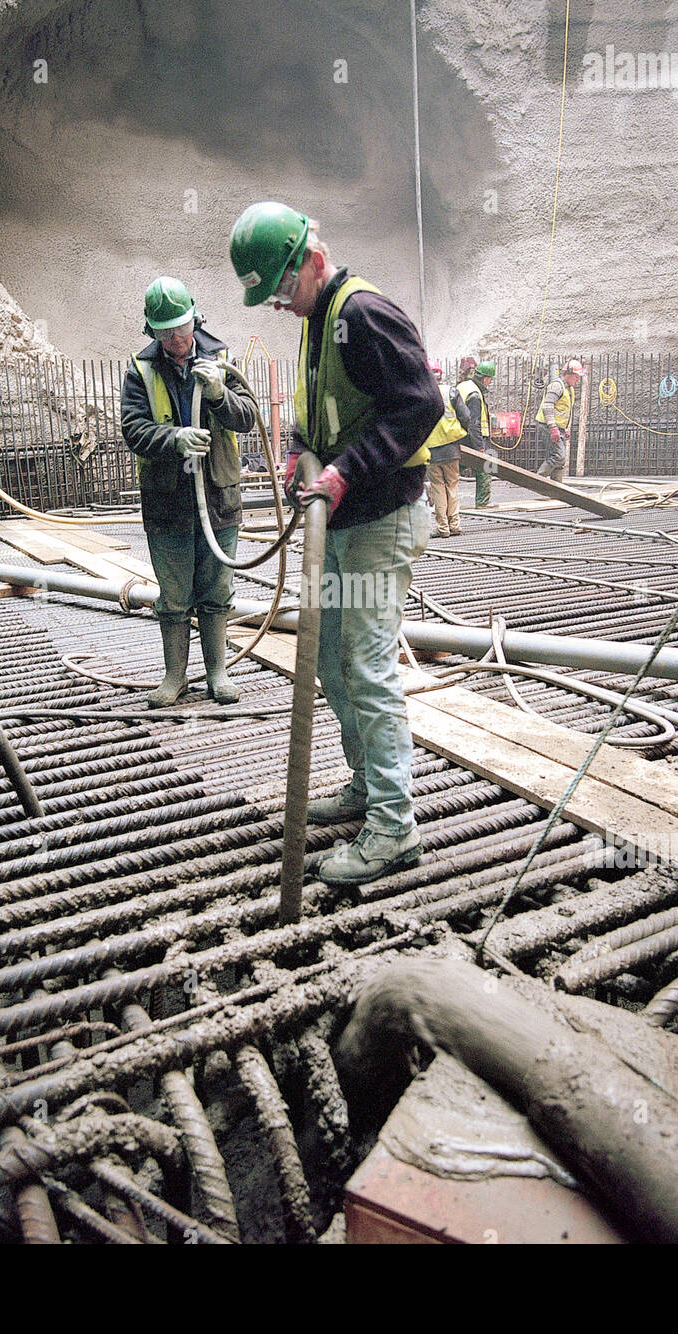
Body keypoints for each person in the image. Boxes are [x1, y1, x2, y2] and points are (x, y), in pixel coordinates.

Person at [229, 201, 442, 885]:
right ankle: (366, 784)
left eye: (284, 289)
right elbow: (319, 411)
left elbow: (421, 406)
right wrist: (300, 451)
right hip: (343, 523)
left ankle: (394, 826)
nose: (282, 305)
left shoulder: (363, 313)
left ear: (312, 261)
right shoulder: (321, 322)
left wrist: (346, 471)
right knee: (328, 662)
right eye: (274, 298)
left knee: (370, 668)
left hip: (379, 519)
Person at [120, 276, 258, 707]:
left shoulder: (222, 361)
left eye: (181, 329)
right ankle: (174, 676)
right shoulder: (140, 370)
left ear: (195, 320)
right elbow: (133, 429)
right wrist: (174, 439)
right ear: (151, 331)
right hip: (168, 500)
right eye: (165, 332)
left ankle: (218, 672)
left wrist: (219, 395)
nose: (176, 339)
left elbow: (248, 418)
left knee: (217, 588)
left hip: (218, 496)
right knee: (175, 593)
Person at [423, 361, 471, 536]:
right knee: (452, 485)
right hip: (451, 447)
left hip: (431, 450)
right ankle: (455, 524)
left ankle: (443, 528)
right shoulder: (451, 391)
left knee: (437, 487)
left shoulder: (422, 393)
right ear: (441, 375)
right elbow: (466, 416)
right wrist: (461, 432)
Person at [457, 357, 497, 506]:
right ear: (485, 379)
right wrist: (479, 446)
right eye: (490, 379)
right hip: (472, 438)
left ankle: (442, 501)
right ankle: (483, 502)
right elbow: (474, 423)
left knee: (454, 472)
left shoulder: (463, 386)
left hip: (459, 435)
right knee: (485, 468)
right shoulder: (474, 395)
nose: (490, 382)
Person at [536, 357, 583, 480]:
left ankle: (556, 490)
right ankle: (537, 479)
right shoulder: (557, 386)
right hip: (548, 426)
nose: (578, 379)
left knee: (559, 461)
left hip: (557, 427)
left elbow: (563, 411)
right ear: (569, 374)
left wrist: (564, 428)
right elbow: (547, 407)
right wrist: (553, 428)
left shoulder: (569, 389)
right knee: (559, 456)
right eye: (576, 376)